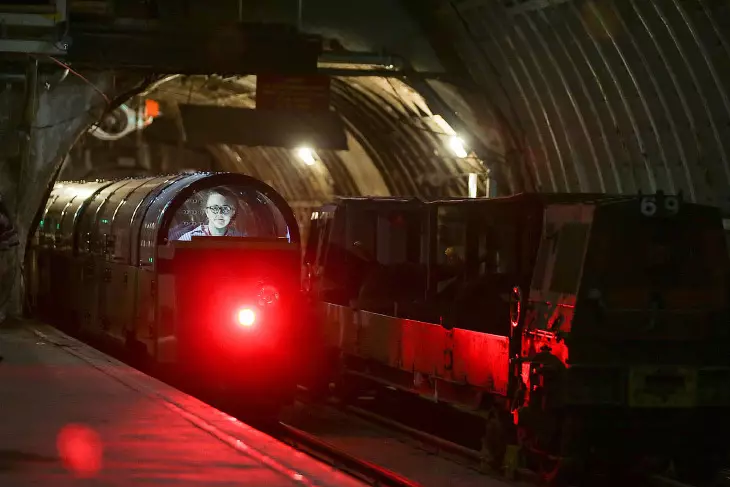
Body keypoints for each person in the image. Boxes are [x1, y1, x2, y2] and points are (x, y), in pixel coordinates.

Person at [177, 188, 246, 241]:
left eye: (226, 208)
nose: (220, 212)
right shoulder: (189, 239)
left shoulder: (241, 240)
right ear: (207, 212)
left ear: (233, 212)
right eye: (214, 208)